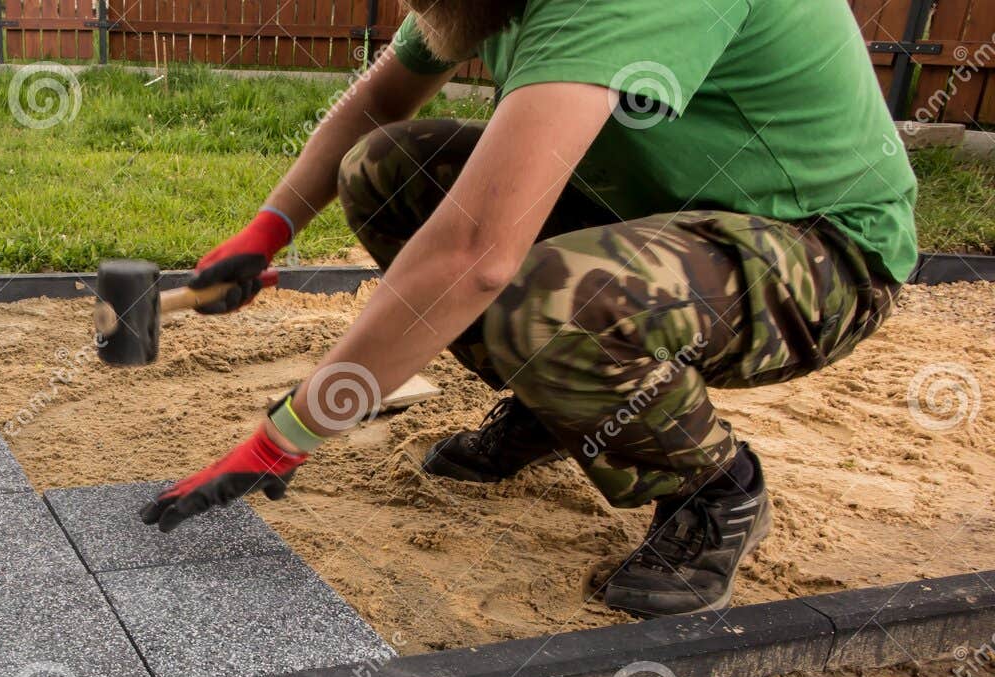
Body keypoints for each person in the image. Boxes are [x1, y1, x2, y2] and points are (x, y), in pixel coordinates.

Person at [141, 0, 917, 617]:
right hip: (652, 222)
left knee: (543, 297)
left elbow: (474, 257)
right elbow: (380, 98)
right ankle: (558, 406)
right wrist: (267, 230)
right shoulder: (481, 2)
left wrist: (284, 439)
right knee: (388, 170)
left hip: (824, 256)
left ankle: (715, 487)